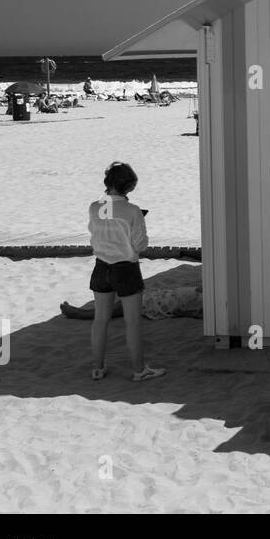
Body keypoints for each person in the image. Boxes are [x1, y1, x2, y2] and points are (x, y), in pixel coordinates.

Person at [87, 162, 166, 382]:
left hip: (101, 266)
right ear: (129, 187)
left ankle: (97, 367)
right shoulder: (132, 211)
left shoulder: (94, 207)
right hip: (126, 268)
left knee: (100, 320)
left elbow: (96, 231)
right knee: (132, 322)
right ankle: (139, 369)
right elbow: (140, 245)